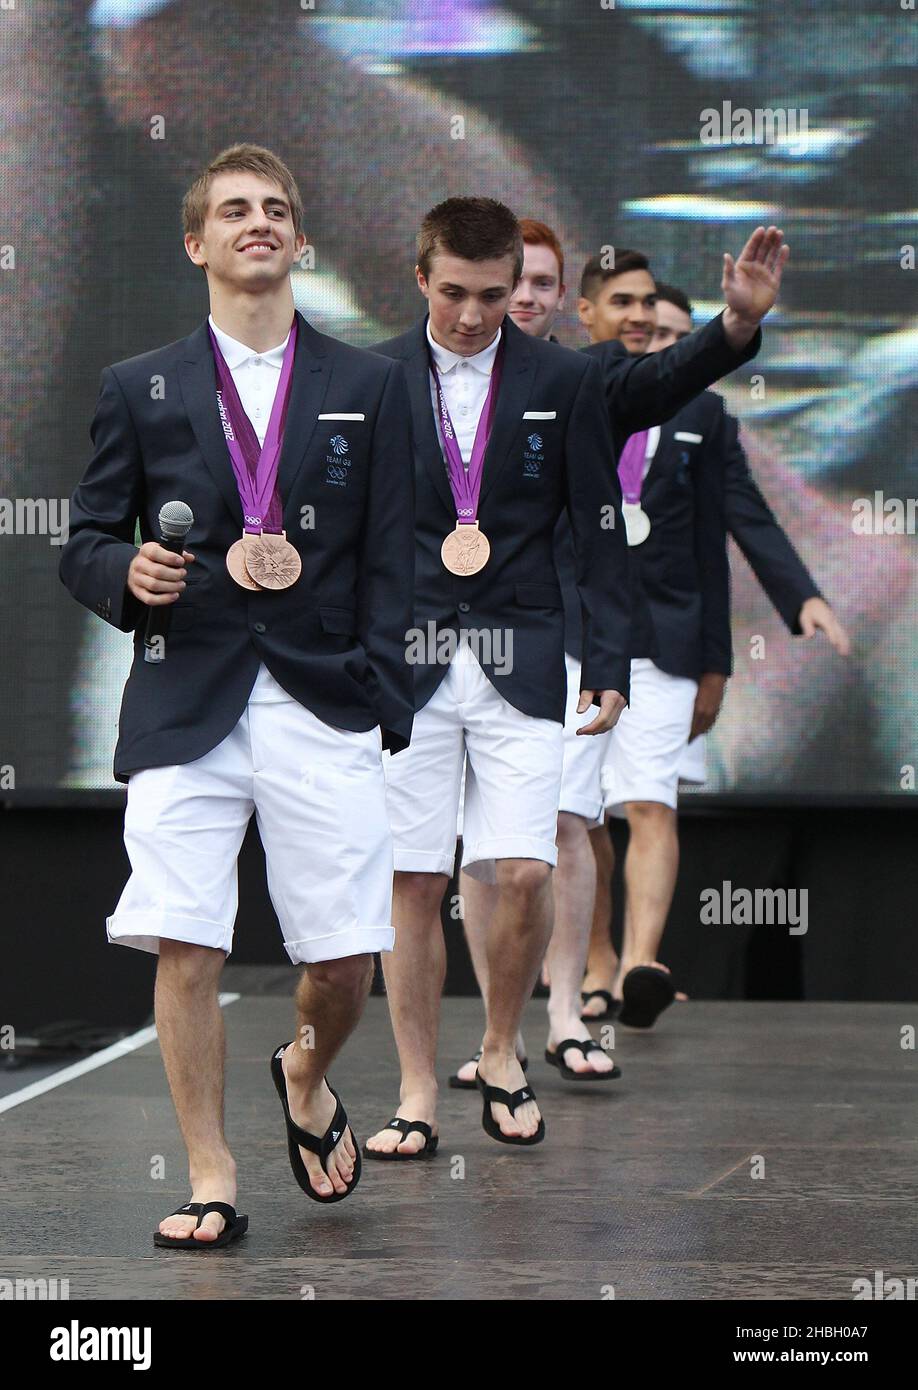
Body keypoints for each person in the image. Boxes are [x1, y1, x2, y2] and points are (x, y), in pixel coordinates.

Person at [58, 144, 415, 1244]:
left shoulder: (370, 384)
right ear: (196, 242)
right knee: (185, 937)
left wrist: (385, 689)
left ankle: (304, 1073)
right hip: (186, 691)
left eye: (275, 209)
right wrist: (129, 574)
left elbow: (396, 555)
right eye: (233, 210)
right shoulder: (142, 383)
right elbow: (81, 543)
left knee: (346, 957)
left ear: (300, 240)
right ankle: (211, 1173)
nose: (257, 222)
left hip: (324, 696)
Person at [364, 197, 632, 1155]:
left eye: (492, 294)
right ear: (420, 278)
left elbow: (600, 526)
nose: (473, 315)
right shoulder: (372, 375)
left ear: (516, 284)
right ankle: (414, 1091)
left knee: (521, 871)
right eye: (453, 294)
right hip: (405, 664)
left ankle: (505, 1046)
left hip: (523, 654)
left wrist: (608, 658)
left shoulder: (565, 377)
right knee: (412, 880)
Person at [581, 280, 850, 1024]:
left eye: (675, 336)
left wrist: (803, 598)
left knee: (649, 802)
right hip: (582, 637)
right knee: (586, 817)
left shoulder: (706, 414)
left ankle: (639, 964)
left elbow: (747, 516)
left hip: (666, 641)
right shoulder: (584, 399)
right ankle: (595, 961)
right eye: (648, 334)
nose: (659, 346)